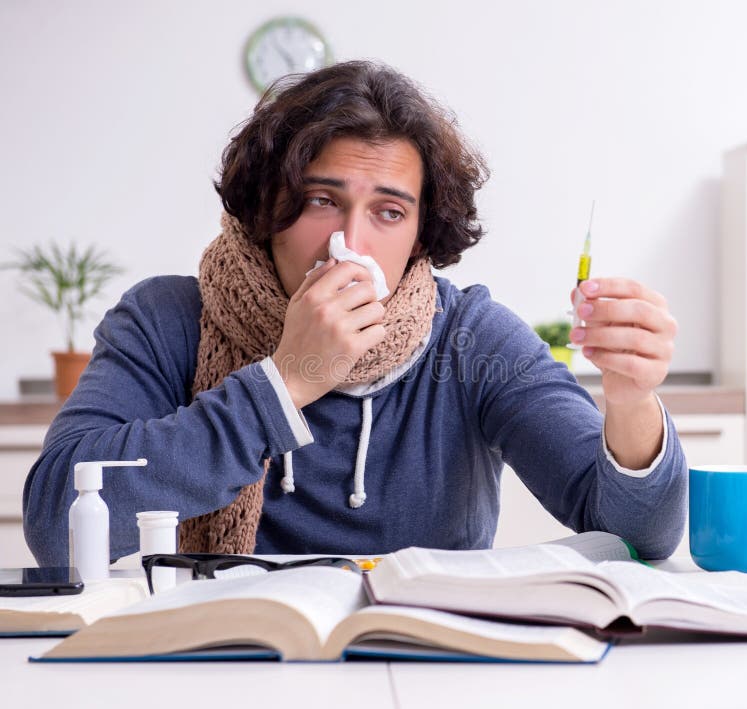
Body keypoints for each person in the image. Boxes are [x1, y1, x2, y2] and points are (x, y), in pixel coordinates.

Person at [23, 61, 686, 566]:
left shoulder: (471, 339)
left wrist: (630, 405)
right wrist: (285, 384)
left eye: (389, 212)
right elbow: (57, 521)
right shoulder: (168, 319)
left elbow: (641, 536)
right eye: (320, 200)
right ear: (264, 210)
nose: (351, 243)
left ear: (422, 235)